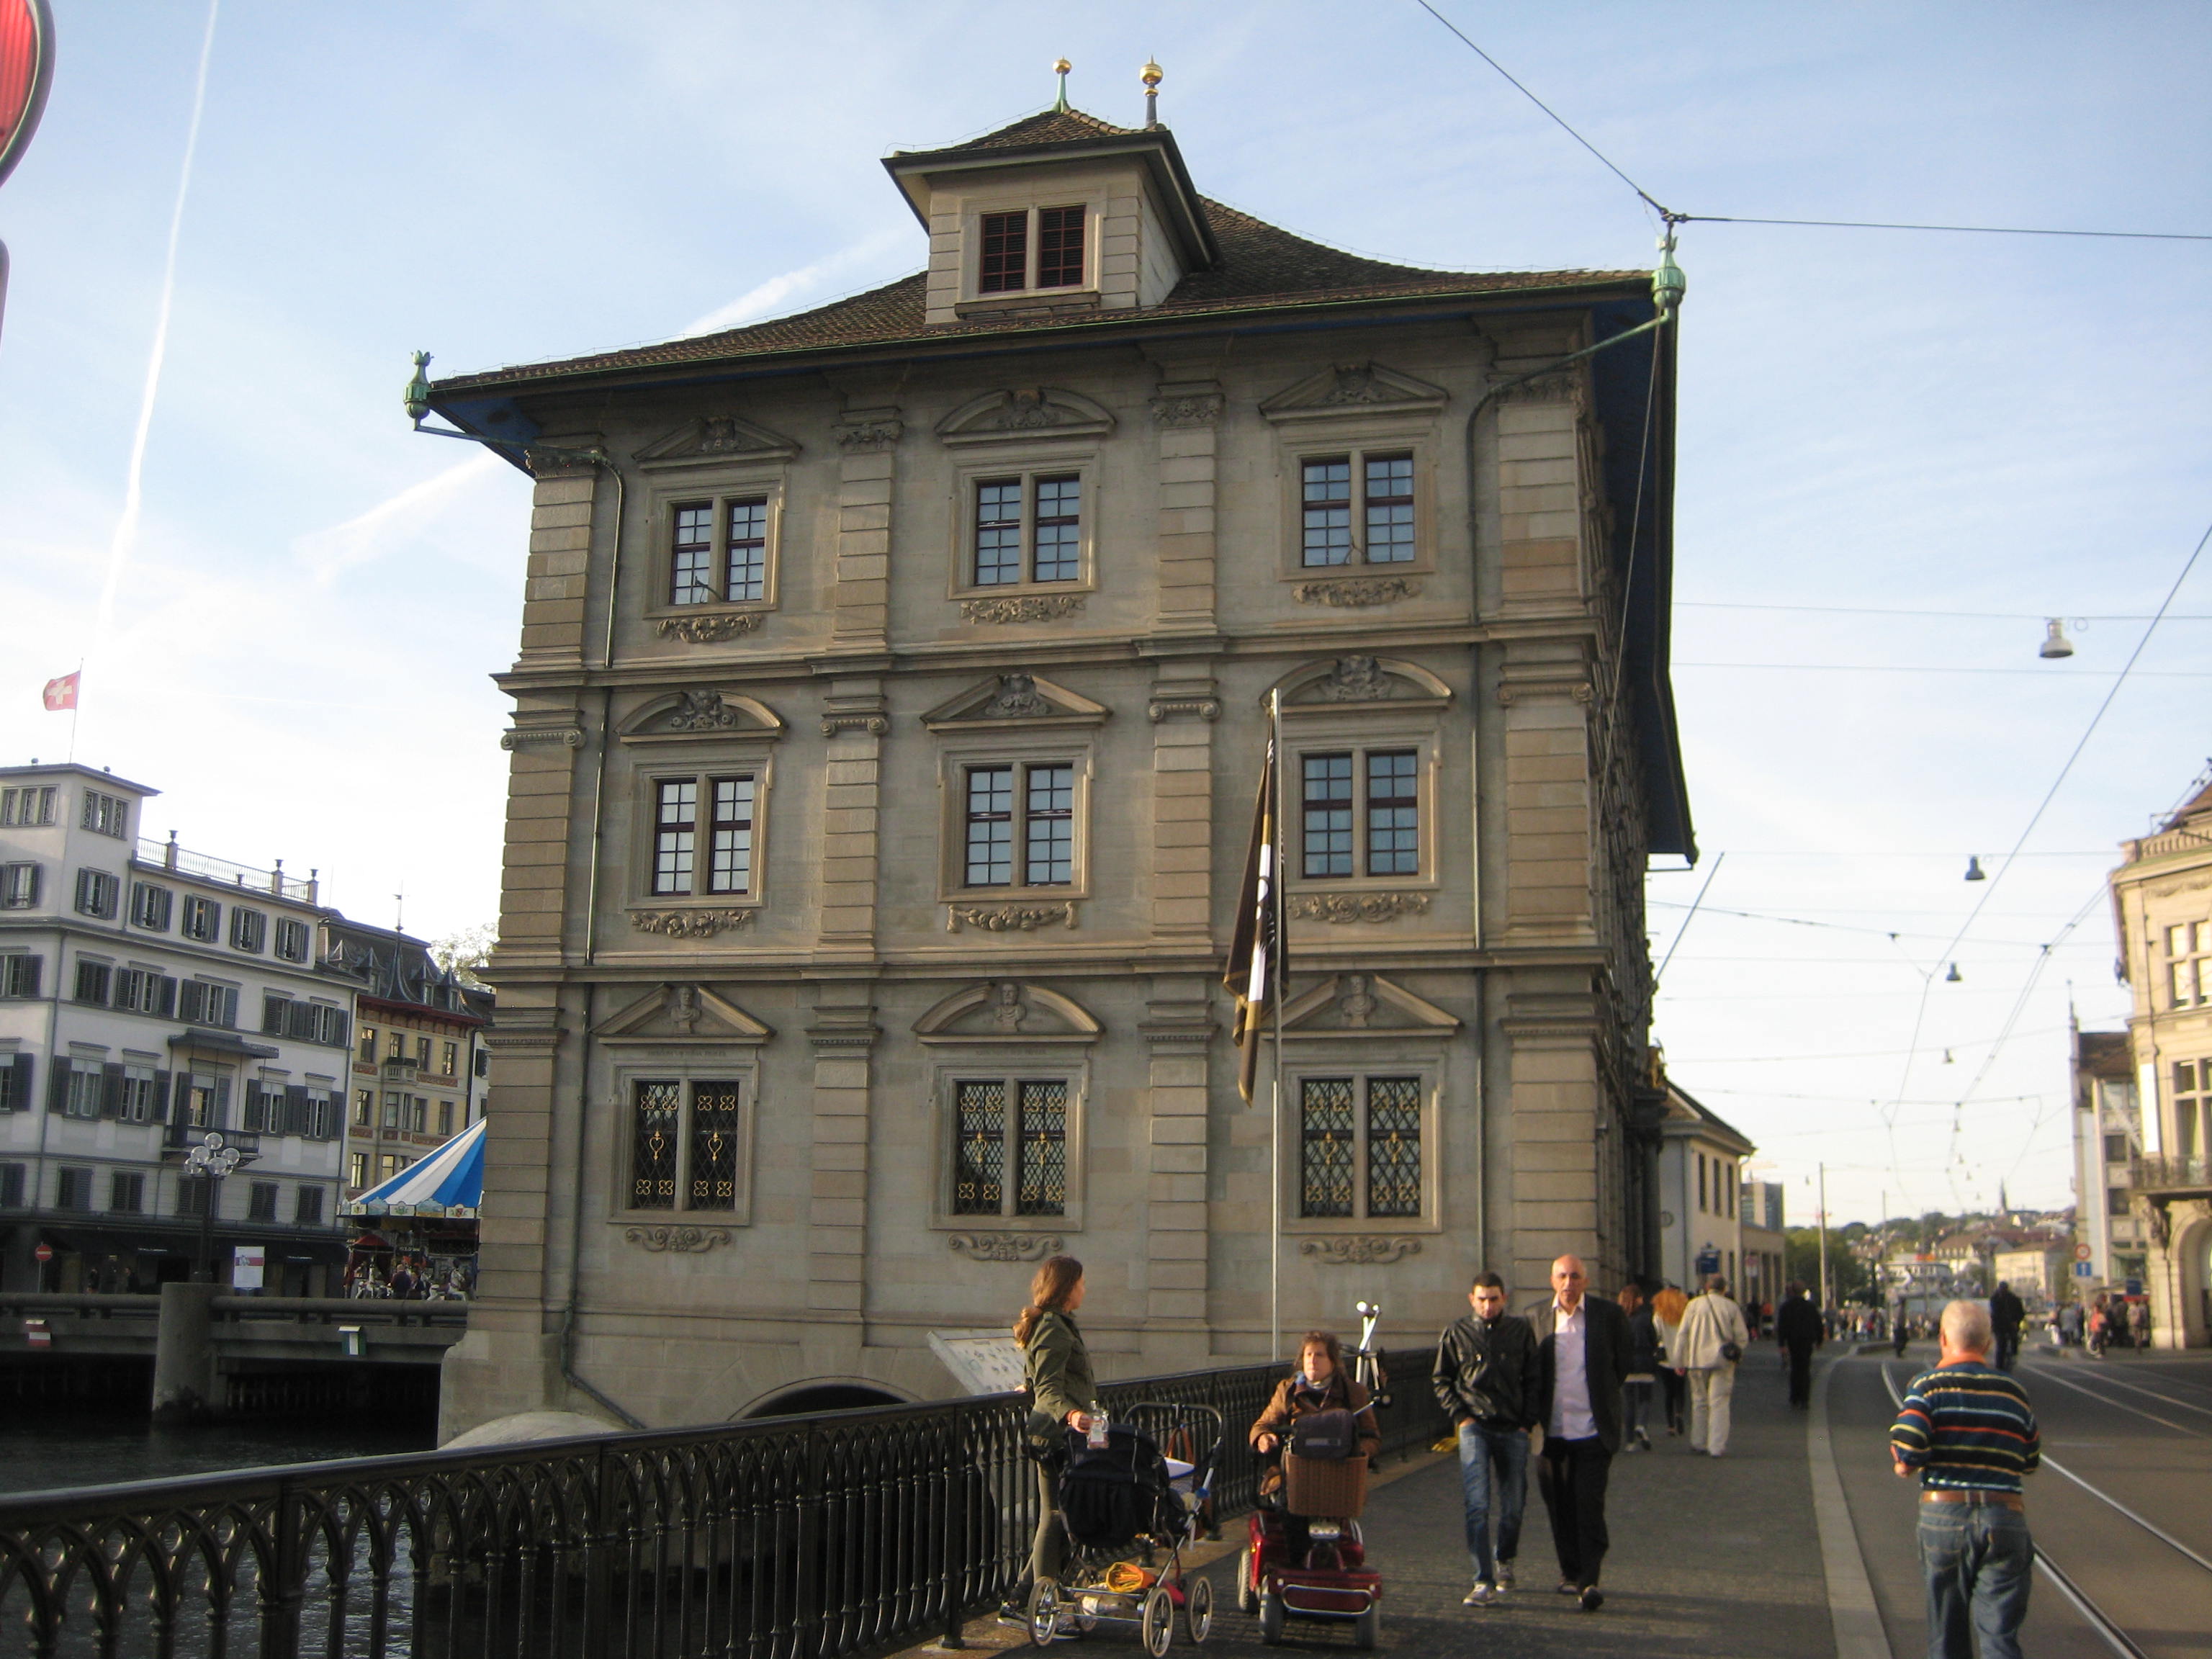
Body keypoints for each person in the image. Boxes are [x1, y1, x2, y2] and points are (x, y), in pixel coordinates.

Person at [1889, 1299, 2041, 1659]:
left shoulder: (1927, 1387)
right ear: (1987, 1344)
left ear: (1943, 1338)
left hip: (1945, 1516)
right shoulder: (2014, 1392)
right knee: (2001, 1637)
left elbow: (1908, 1445)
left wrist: (1904, 1464)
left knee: (1946, 1635)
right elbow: (2030, 1459)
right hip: (2005, 1517)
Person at [1530, 1254, 1631, 1612]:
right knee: (1559, 1507)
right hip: (1551, 1432)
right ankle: (1569, 1571)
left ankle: (1589, 1580)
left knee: (1589, 1505)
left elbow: (1621, 1365)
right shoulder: (1536, 1317)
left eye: (1575, 1277)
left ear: (1586, 1281)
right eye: (1562, 1276)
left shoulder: (1608, 1316)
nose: (1569, 1283)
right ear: (1552, 1280)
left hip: (1592, 1432)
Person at [1432, 1272, 1540, 1607]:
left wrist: (1526, 1422)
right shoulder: (1457, 1332)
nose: (1488, 1305)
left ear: (1504, 1299)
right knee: (1477, 1505)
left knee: (1514, 1506)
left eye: (1494, 1299)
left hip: (1512, 1426)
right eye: (1482, 1299)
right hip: (1474, 1425)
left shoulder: (1520, 1331)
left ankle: (1504, 1558)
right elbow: (1442, 1379)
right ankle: (1482, 1580)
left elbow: (1535, 1379)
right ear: (1472, 1299)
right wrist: (1460, 1416)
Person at [1006, 1255, 1100, 1622]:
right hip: (1056, 1436)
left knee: (1063, 1516)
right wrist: (1071, 1413)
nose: (1084, 1289)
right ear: (1066, 1288)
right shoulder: (1053, 1327)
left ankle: (1022, 1598)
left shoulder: (1059, 1325)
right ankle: (1043, 1604)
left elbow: (1041, 1376)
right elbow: (1049, 1386)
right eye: (1081, 1283)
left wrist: (1028, 1383)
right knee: (1054, 1516)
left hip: (1069, 1433)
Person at [1254, 1331, 1380, 1570]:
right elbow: (1262, 1425)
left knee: (1337, 1507)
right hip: (1295, 1473)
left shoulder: (1353, 1392)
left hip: (1338, 1471)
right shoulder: (1288, 1390)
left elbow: (1372, 1437)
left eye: (1320, 1355)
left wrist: (1358, 1451)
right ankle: (1297, 1564)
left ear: (1333, 1361)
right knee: (1290, 1509)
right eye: (1309, 1355)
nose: (1313, 1361)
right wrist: (1264, 1437)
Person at [1674, 1274, 1751, 1457]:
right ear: (1724, 1289)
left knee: (1699, 1402)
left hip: (1696, 1360)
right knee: (1719, 1403)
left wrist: (1679, 1361)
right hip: (1722, 1361)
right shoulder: (1731, 1307)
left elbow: (1683, 1333)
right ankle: (1716, 1446)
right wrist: (1736, 1352)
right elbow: (1742, 1337)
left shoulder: (1694, 1305)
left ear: (1706, 1287)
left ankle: (1698, 1441)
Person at [1619, 1285, 1658, 1452]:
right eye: (1641, 1297)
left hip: (1627, 1364)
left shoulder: (1619, 1318)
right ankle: (1641, 1425)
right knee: (1645, 1398)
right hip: (1645, 1361)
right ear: (1636, 1299)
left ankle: (1629, 1442)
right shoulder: (1645, 1318)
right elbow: (1653, 1339)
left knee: (1629, 1402)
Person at [1776, 1281, 1824, 1410]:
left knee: (1795, 1368)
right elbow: (1818, 1324)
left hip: (1793, 1340)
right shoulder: (1810, 1307)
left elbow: (1781, 1326)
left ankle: (1794, 1397)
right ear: (1804, 1292)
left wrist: (1782, 1343)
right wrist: (1819, 1341)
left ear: (1792, 1291)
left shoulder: (1786, 1307)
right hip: (1807, 1340)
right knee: (1805, 1368)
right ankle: (1804, 1398)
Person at [1650, 1284, 1689, 1437]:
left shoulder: (1659, 1315)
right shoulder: (1683, 1313)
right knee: (1680, 1390)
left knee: (1668, 1392)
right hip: (1681, 1358)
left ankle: (1670, 1425)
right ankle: (1679, 1413)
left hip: (1664, 1358)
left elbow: (1657, 1334)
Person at [1988, 1281, 2025, 1372]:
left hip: (2010, 1325)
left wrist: (2016, 1321)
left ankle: (2013, 1354)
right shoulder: (1995, 1299)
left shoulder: (2014, 1299)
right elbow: (1994, 1313)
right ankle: (1999, 1366)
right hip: (2000, 1326)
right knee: (2001, 1344)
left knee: (2013, 1339)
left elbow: (2021, 1313)